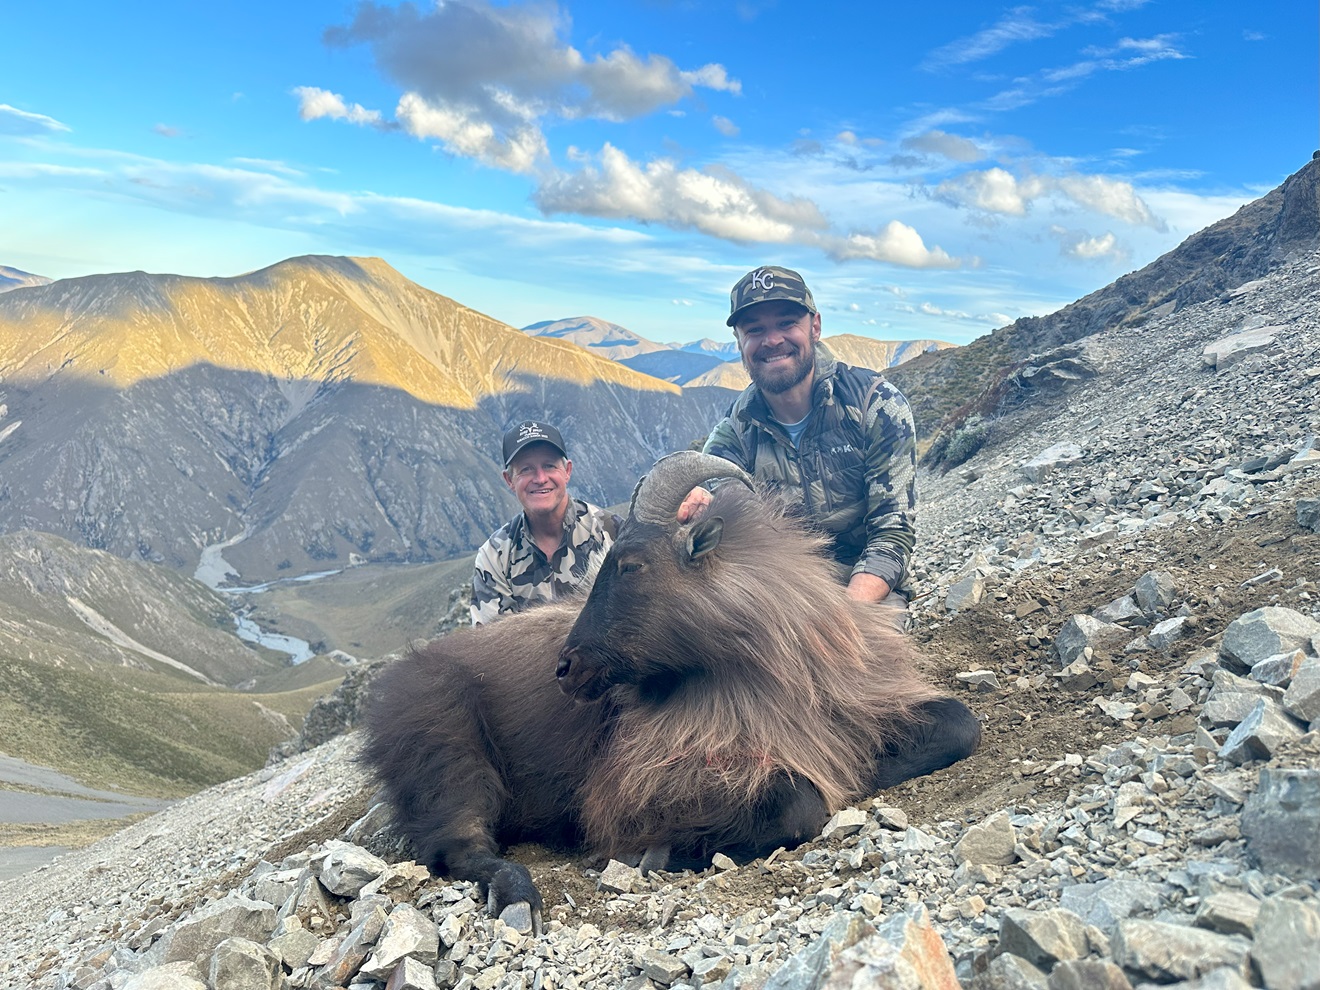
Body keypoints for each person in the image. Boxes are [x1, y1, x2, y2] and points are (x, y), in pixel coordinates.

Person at [680, 265, 918, 621]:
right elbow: (715, 514)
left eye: (787, 323)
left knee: (860, 666)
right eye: (755, 330)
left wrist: (844, 618)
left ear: (815, 327)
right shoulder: (735, 433)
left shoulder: (876, 405)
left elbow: (892, 534)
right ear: (741, 344)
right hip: (777, 591)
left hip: (861, 585)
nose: (772, 340)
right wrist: (695, 503)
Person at [470, 420, 620, 625]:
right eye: (526, 469)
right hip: (526, 658)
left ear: (567, 471)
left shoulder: (613, 534)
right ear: (509, 480)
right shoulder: (494, 557)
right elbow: (491, 644)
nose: (540, 478)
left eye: (549, 466)